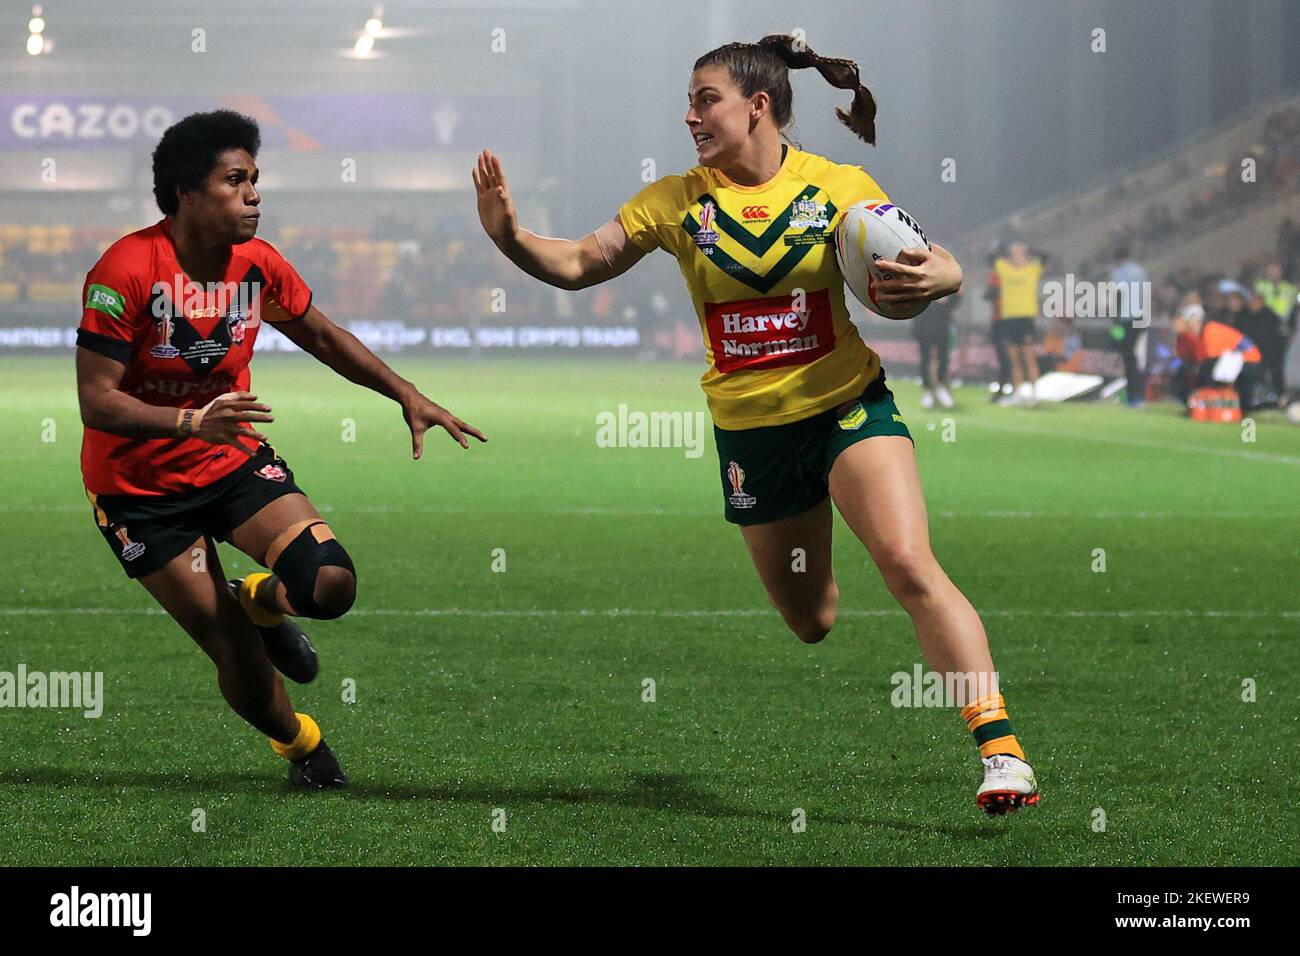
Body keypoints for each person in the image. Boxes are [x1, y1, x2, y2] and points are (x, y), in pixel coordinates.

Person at [472, 35, 1038, 814]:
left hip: (848, 409)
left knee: (908, 564)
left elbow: (926, 255)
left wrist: (951, 273)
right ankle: (832, 598)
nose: (691, 115)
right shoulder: (673, 201)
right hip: (752, 437)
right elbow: (577, 263)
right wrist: (507, 233)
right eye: (691, 101)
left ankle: (1000, 749)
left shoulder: (836, 185)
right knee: (811, 619)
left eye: (706, 99)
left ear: (757, 104)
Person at [76, 110, 486, 789]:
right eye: (235, 180)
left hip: (229, 461)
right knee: (237, 657)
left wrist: (405, 393)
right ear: (187, 192)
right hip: (139, 494)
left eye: (256, 179)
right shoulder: (125, 270)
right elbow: (98, 400)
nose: (253, 194)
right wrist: (186, 422)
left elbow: (322, 336)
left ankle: (262, 597)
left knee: (331, 584)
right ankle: (301, 744)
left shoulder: (257, 265)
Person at [992, 242, 1044, 406]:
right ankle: (1017, 393)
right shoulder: (1005, 269)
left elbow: (1045, 256)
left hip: (1026, 318)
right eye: (1014, 253)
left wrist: (1029, 249)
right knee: (1013, 359)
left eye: (1020, 253)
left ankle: (1034, 395)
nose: (1017, 256)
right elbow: (992, 255)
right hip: (1010, 319)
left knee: (1029, 358)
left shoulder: (1033, 269)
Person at [1109, 244, 1150, 408]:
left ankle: (1134, 396)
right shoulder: (1141, 271)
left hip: (1125, 319)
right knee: (1134, 356)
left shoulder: (1119, 273)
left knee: (1128, 357)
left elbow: (1117, 295)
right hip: (1140, 317)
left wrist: (1114, 319)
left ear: (1118, 259)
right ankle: (1138, 396)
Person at [914, 290, 957, 409]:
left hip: (942, 322)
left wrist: (949, 299)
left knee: (943, 356)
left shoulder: (946, 277)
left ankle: (941, 387)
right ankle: (929, 390)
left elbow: (955, 300)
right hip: (923, 321)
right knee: (926, 357)